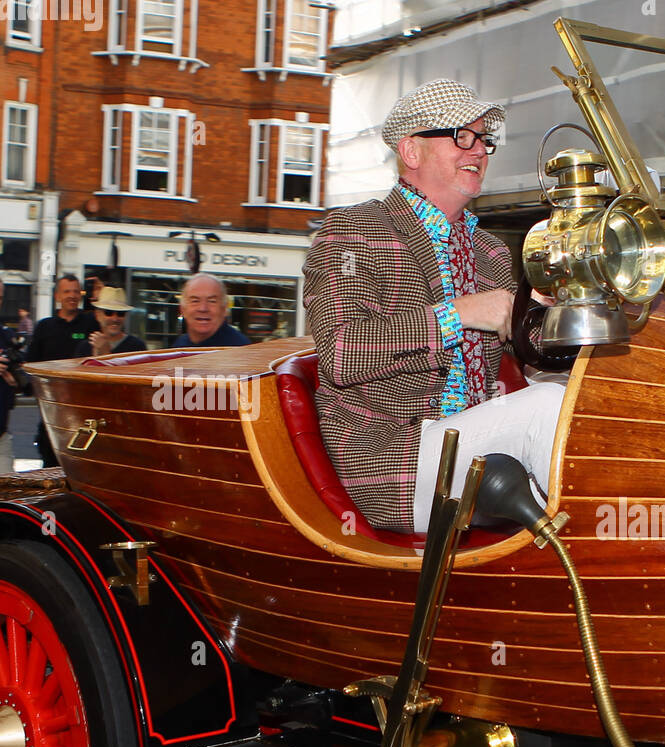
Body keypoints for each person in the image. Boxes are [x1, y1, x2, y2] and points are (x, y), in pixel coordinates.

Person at [303, 79, 565, 534]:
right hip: (390, 456)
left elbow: (533, 350)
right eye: (462, 136)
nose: (479, 150)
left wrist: (558, 307)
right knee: (547, 407)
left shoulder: (489, 251)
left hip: (473, 445)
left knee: (583, 401)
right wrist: (458, 314)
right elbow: (341, 353)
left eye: (484, 139)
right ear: (411, 151)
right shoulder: (352, 231)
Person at [26, 274, 100, 467]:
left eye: (76, 291)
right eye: (67, 291)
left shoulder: (91, 324)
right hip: (51, 408)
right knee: (50, 465)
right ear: (57, 296)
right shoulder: (44, 327)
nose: (72, 296)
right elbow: (31, 364)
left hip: (81, 410)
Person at [173, 274, 251, 347]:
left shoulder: (238, 349)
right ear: (182, 309)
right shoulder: (180, 346)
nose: (203, 308)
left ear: (224, 308)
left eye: (212, 301)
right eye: (195, 301)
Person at [0, 282, 25, 474]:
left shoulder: (6, 335)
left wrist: (15, 381)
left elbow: (21, 381)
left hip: (1, 437)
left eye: (0, 298)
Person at [89, 286, 147, 355]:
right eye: (109, 312)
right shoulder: (85, 346)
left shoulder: (137, 347)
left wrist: (105, 352)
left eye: (120, 313)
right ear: (98, 315)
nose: (115, 319)